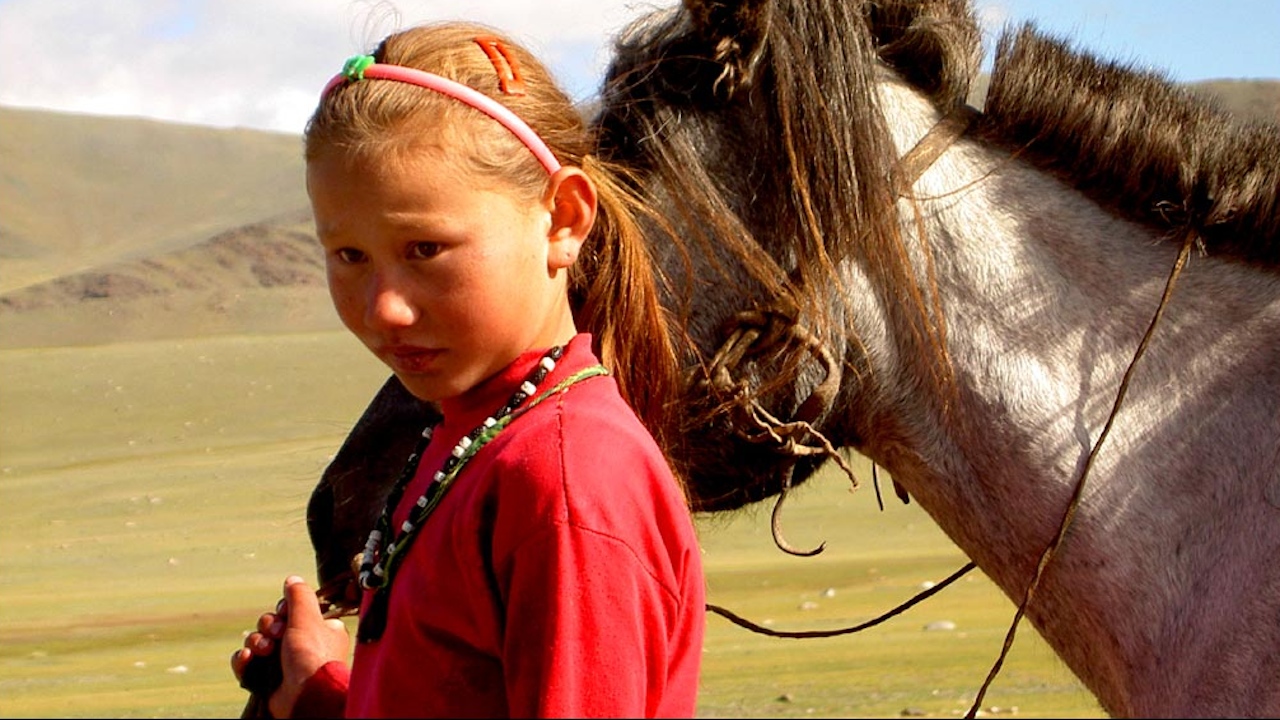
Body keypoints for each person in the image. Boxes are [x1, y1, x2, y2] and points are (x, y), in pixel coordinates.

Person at [229, 21, 705, 719]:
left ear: (564, 220)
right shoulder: (475, 436)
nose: (384, 309)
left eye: (425, 248)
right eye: (349, 256)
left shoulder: (566, 482)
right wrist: (319, 695)